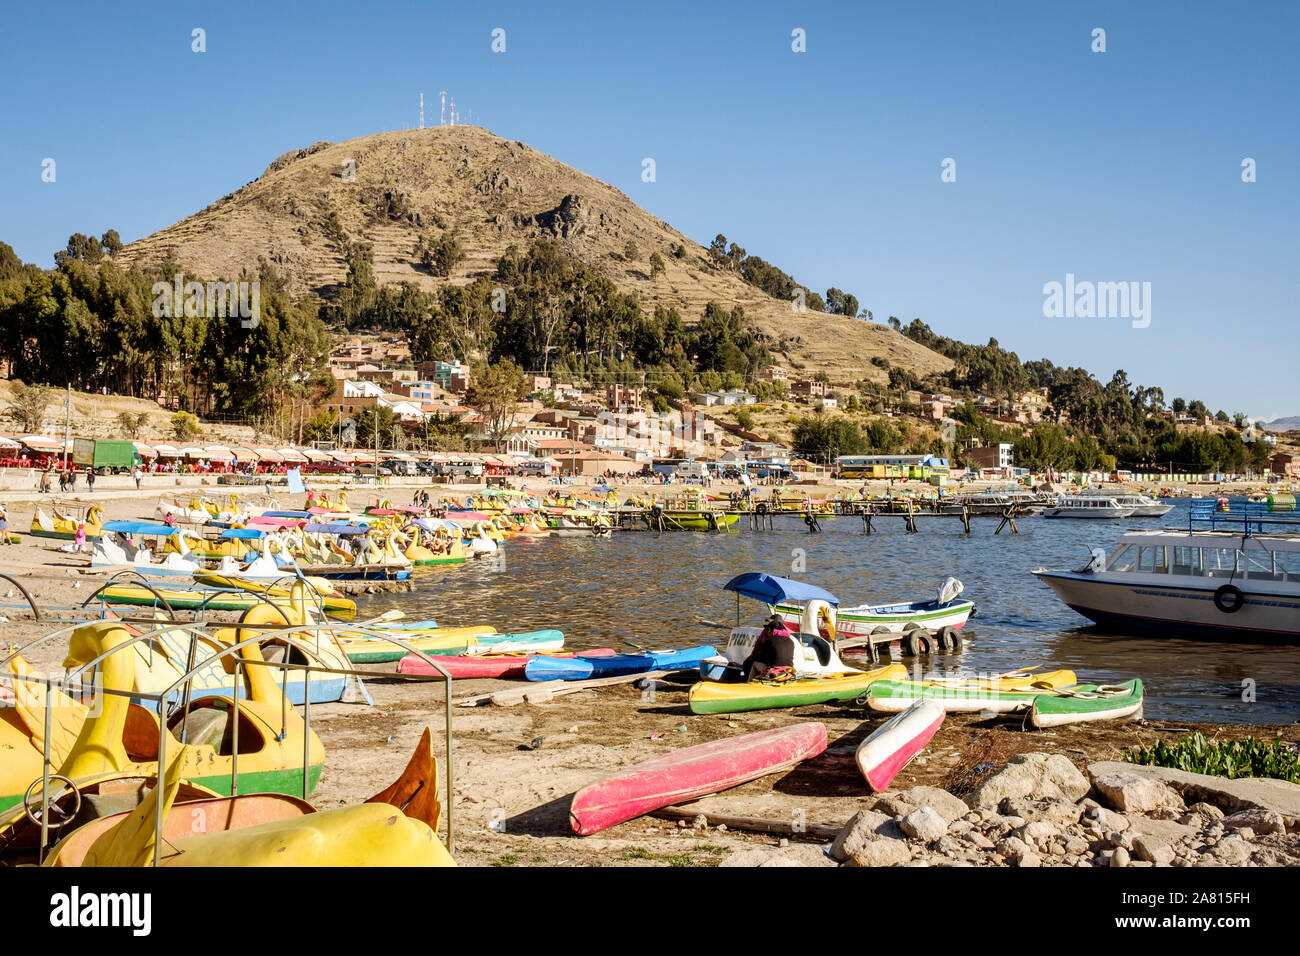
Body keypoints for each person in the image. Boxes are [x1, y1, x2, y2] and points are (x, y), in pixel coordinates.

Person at [742, 613, 797, 681]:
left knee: (755, 664)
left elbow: (762, 657)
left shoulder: (769, 640)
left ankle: (750, 682)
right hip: (788, 669)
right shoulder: (790, 640)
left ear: (770, 630)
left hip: (774, 669)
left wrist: (754, 658)